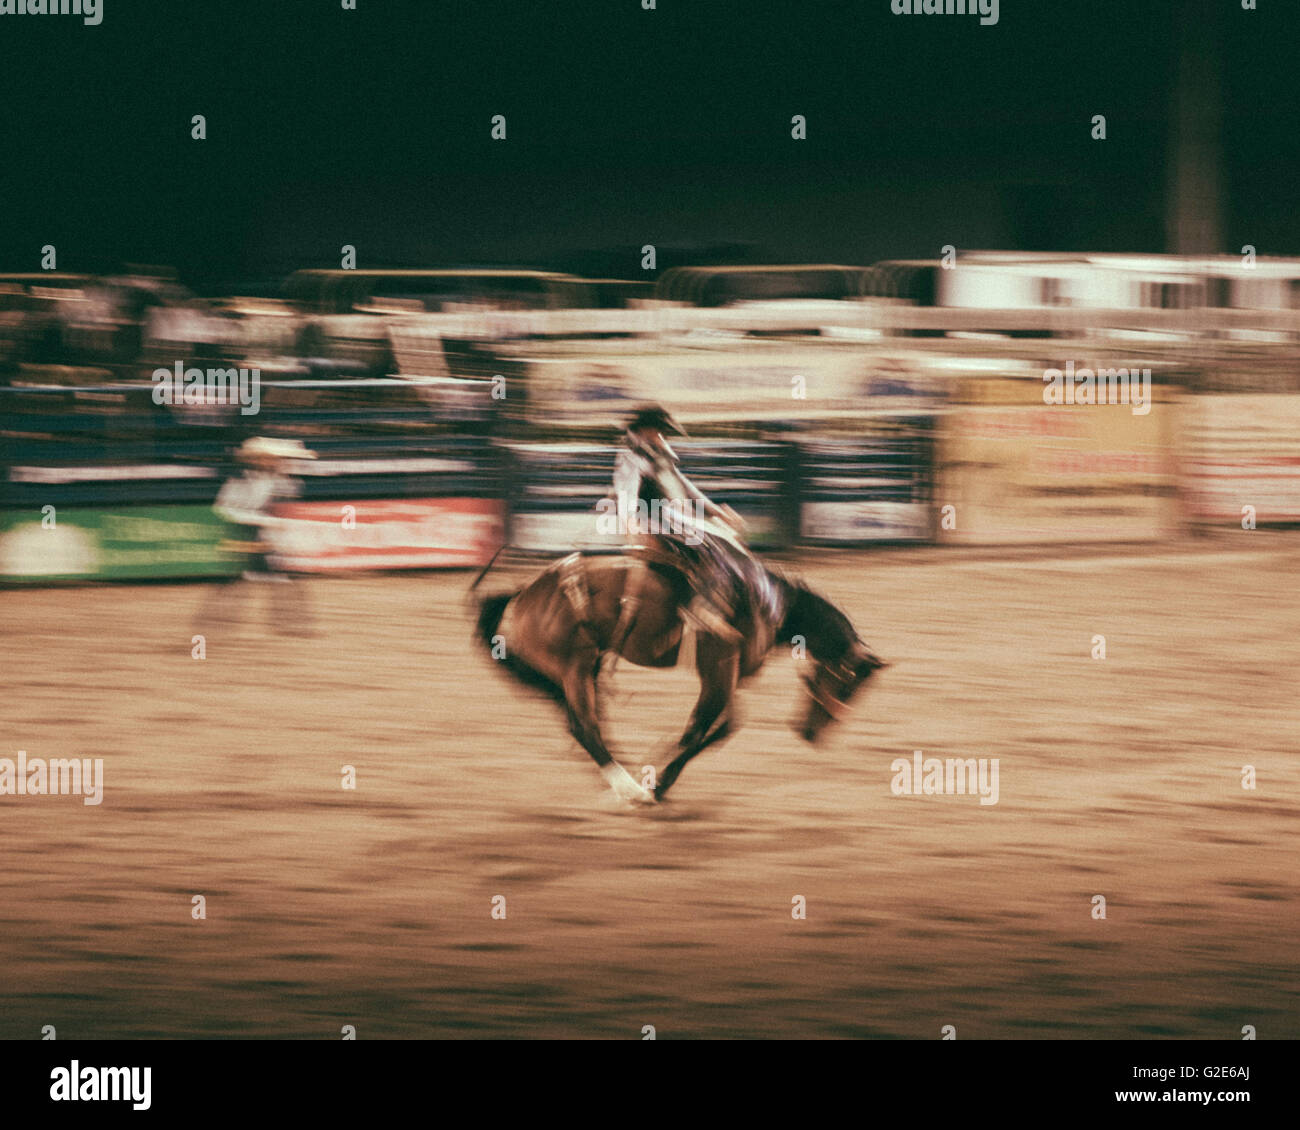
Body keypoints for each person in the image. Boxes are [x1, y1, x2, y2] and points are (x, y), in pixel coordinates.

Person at [608, 405, 750, 649]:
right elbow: (627, 495)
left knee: (722, 536)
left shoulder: (656, 452)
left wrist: (715, 510)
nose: (663, 435)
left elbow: (682, 484)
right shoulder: (631, 457)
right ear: (646, 429)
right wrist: (631, 525)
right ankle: (696, 608)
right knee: (702, 546)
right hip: (650, 521)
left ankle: (721, 598)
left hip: (671, 517)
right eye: (659, 430)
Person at [196, 436, 316, 636]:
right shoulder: (240, 481)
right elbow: (223, 509)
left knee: (281, 580)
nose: (273, 463)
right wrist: (260, 520)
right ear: (256, 459)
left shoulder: (274, 480)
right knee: (234, 585)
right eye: (268, 459)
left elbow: (291, 489)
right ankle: (213, 624)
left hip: (259, 542)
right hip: (241, 540)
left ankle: (290, 624)